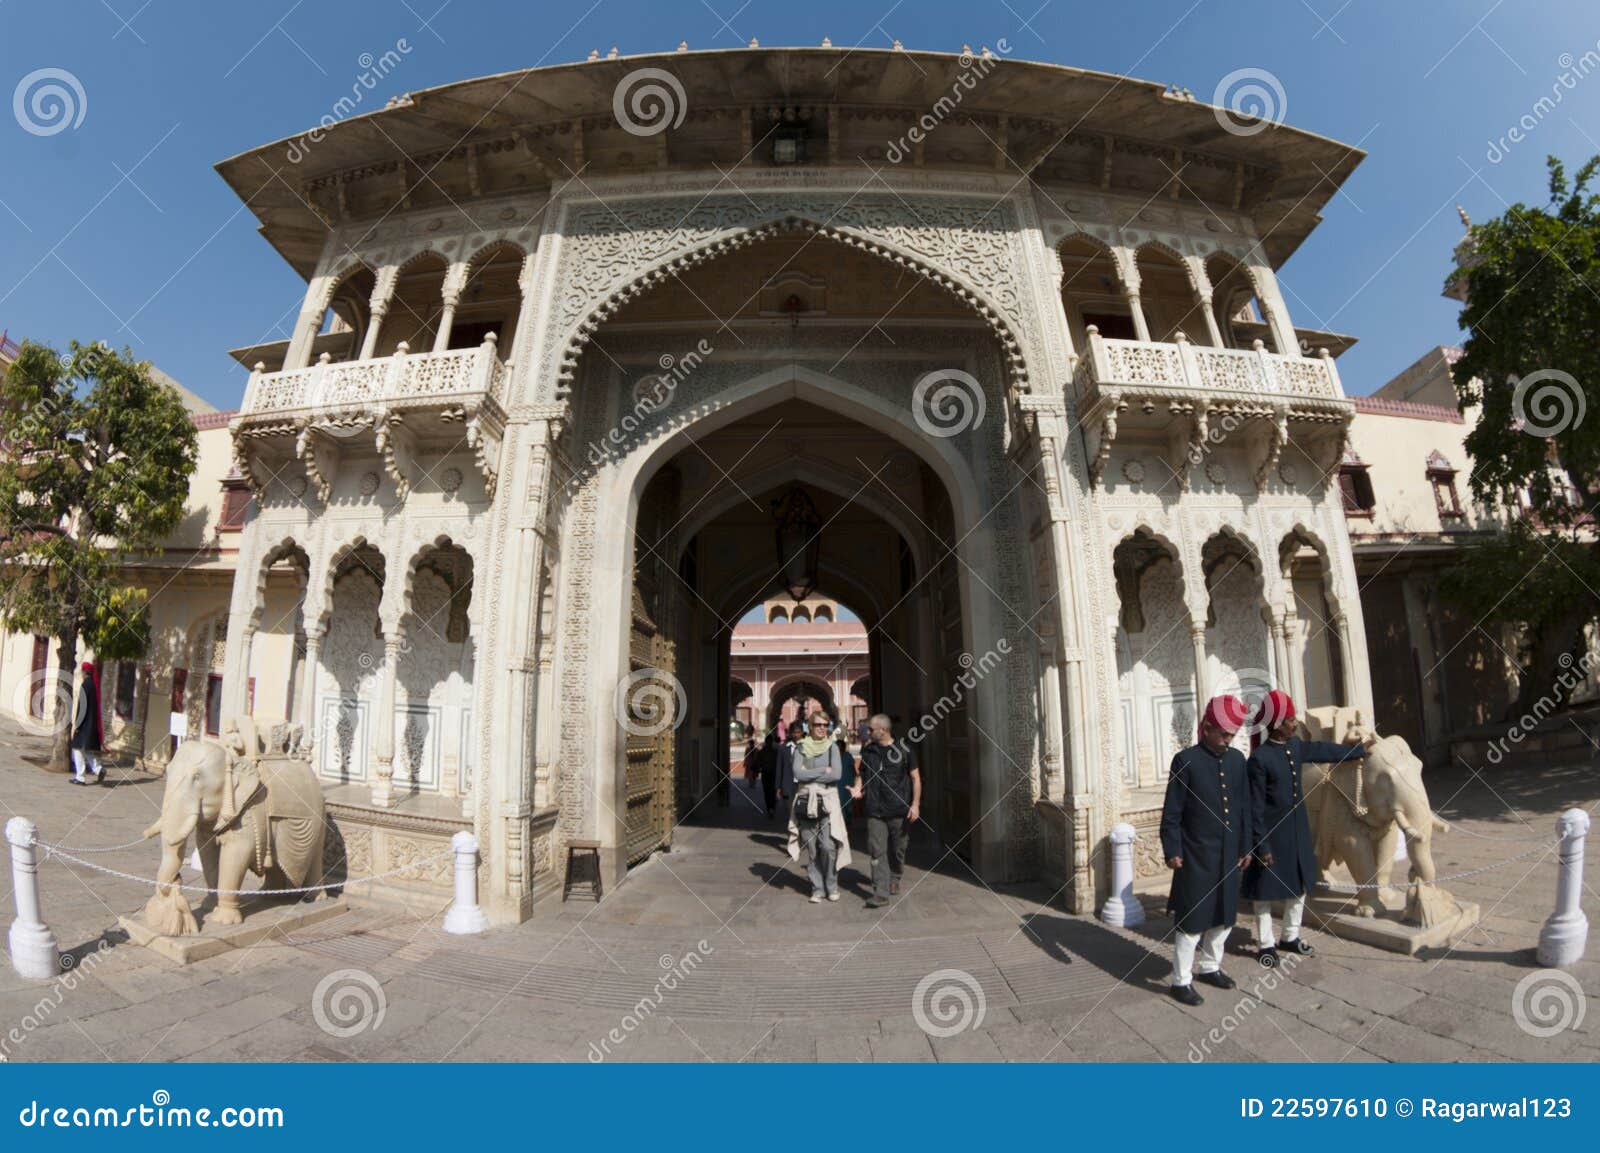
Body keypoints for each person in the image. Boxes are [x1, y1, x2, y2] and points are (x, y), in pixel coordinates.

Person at [1243, 690, 1371, 966]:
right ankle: (1265, 943)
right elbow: (1254, 809)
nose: (1294, 723)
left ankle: (1289, 936)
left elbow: (1322, 750)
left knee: (1298, 886)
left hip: (1297, 831)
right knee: (1264, 893)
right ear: (1276, 723)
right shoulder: (1260, 759)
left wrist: (1356, 751)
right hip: (1272, 835)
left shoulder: (1295, 746)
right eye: (1289, 719)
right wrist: (1261, 845)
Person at [1160, 694, 1254, 1006]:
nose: (1229, 740)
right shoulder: (1185, 760)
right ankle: (1180, 980)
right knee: (1192, 919)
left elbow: (1242, 808)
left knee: (1225, 916)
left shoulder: (1237, 760)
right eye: (1224, 734)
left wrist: (1245, 846)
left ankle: (1211, 967)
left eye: (1233, 735)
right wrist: (1172, 848)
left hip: (1228, 854)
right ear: (1208, 728)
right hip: (1195, 856)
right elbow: (1172, 812)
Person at [853, 713, 920, 909]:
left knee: (898, 850)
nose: (868, 732)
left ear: (883, 730)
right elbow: (862, 774)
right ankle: (880, 893)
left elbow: (916, 778)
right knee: (876, 851)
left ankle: (896, 875)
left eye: (871, 729)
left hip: (899, 810)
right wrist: (858, 787)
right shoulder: (869, 751)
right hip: (875, 810)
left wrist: (915, 804)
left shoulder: (904, 749)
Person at [784, 711, 851, 902]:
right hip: (806, 802)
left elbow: (836, 775)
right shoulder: (801, 748)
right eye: (817, 725)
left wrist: (810, 773)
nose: (822, 728)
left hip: (828, 801)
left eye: (825, 725)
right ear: (809, 727)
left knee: (828, 846)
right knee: (812, 848)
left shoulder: (833, 748)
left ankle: (832, 885)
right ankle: (817, 888)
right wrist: (823, 770)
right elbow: (798, 773)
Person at [69, 660, 104, 786]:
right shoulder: (94, 686)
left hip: (84, 725)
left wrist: (77, 725)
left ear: (84, 672)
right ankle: (98, 769)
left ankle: (80, 777)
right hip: (92, 725)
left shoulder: (85, 685)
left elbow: (82, 707)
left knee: (77, 749)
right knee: (87, 750)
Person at [757, 729, 780, 818]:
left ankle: (771, 808)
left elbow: (758, 763)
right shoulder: (767, 752)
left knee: (770, 792)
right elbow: (758, 762)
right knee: (769, 792)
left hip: (770, 774)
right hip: (768, 774)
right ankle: (771, 808)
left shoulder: (774, 752)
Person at [835, 736, 856, 820]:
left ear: (843, 749)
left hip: (848, 786)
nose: (838, 751)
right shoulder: (832, 758)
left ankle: (848, 825)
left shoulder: (848, 756)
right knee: (840, 809)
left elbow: (854, 771)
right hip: (838, 786)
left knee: (848, 808)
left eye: (840, 749)